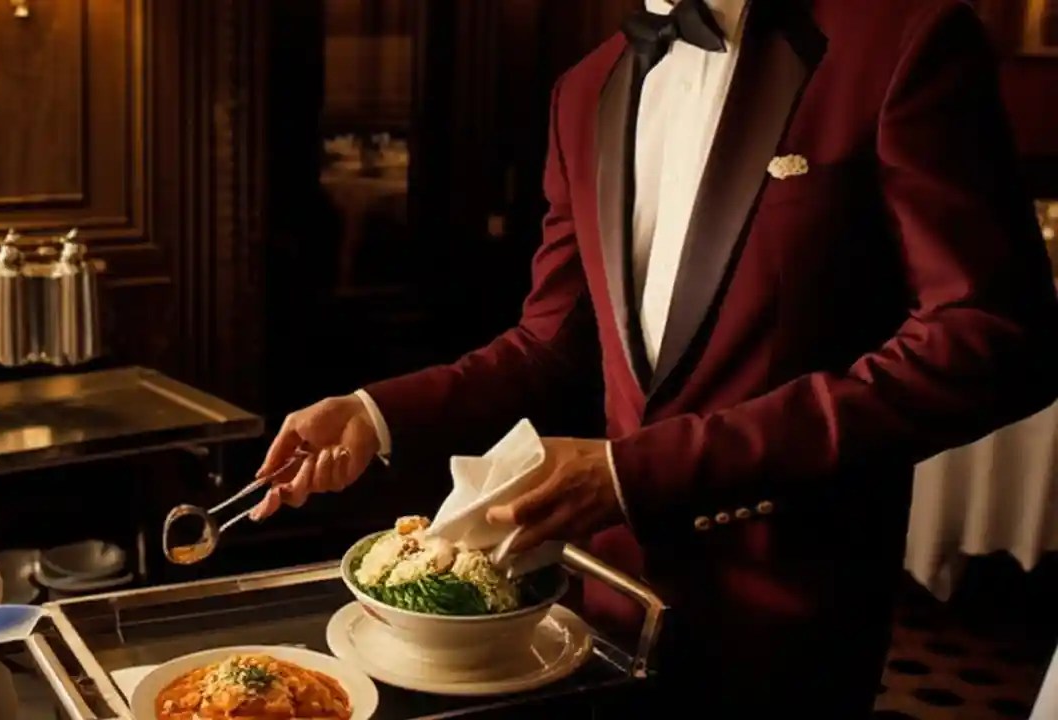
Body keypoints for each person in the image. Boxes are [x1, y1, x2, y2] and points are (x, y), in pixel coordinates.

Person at [254, 0, 1058, 714]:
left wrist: (637, 473)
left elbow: (991, 337)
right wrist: (377, 411)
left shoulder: (898, 39)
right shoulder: (585, 87)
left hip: (787, 615)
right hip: (606, 609)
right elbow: (552, 340)